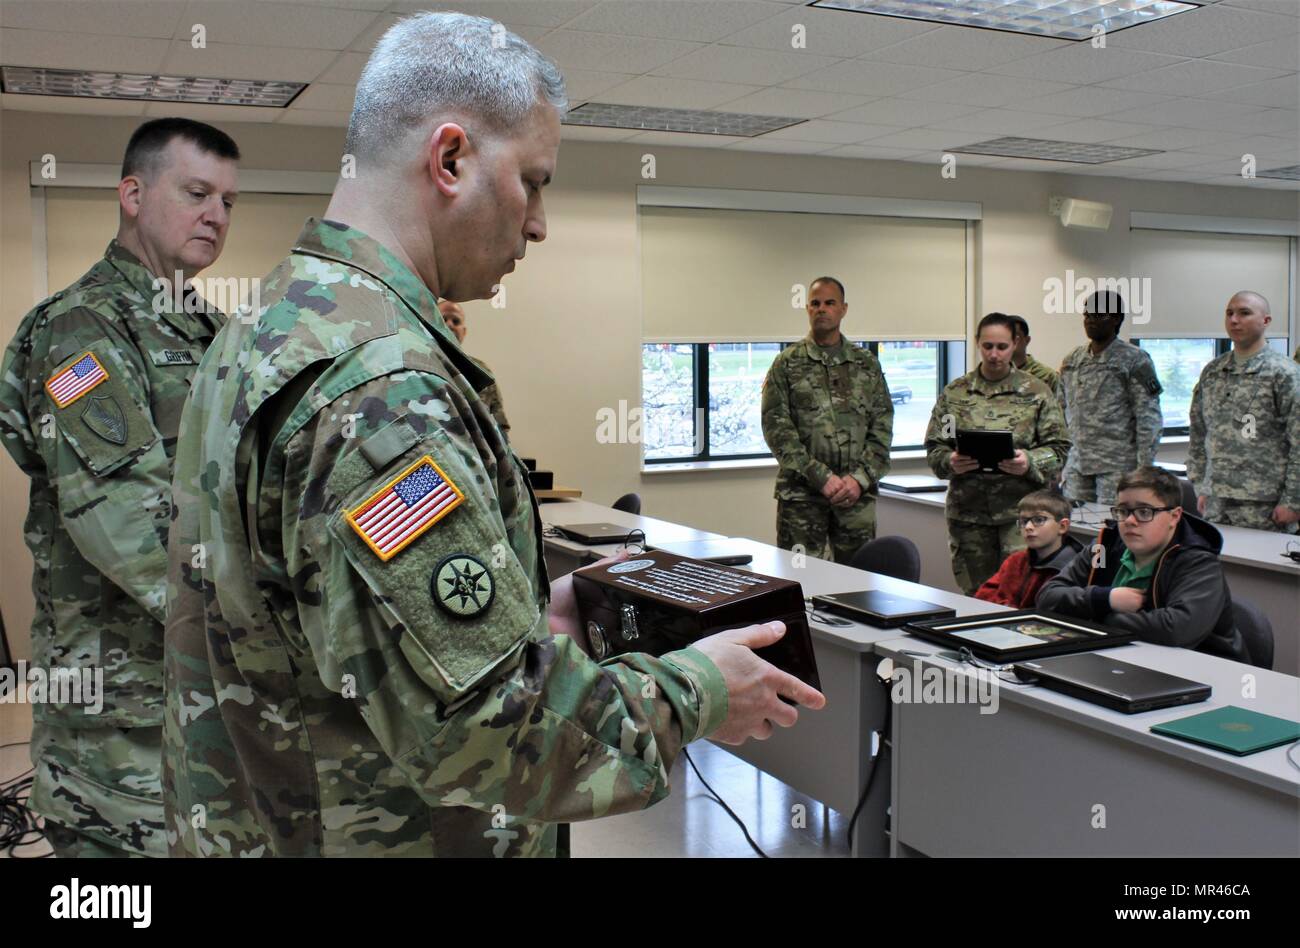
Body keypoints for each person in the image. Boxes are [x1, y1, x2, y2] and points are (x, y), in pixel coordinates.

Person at [161, 12, 824, 859]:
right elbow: (486, 732)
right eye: (535, 182)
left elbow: (310, 618)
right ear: (450, 159)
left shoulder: (267, 323)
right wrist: (697, 690)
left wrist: (528, 618)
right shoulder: (383, 392)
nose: (539, 223)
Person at [0, 118, 239, 857]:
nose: (216, 216)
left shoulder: (213, 330)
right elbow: (124, 520)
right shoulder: (80, 330)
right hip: (122, 728)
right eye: (197, 192)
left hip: (208, 702)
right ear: (133, 194)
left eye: (229, 201)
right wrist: (272, 625)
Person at [924, 312, 1070, 595]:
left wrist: (1030, 461)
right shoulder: (955, 393)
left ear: (1015, 344)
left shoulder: (1036, 392)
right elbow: (936, 447)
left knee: (1020, 593)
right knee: (977, 595)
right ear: (978, 344)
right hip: (968, 514)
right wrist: (950, 461)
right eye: (987, 346)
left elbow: (1059, 448)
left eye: (1001, 347)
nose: (994, 354)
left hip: (1022, 514)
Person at [1038, 467, 1246, 661]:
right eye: (1123, 511)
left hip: (1200, 670)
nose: (1129, 521)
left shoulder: (1197, 562)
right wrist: (1105, 598)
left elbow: (1179, 629)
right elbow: (1048, 596)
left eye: (1144, 512)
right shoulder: (1104, 548)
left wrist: (1104, 618)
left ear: (1174, 516)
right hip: (1122, 659)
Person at [761, 276, 893, 564]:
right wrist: (820, 477)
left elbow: (882, 427)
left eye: (829, 303)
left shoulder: (866, 364)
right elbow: (777, 429)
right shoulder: (787, 363)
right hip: (802, 497)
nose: (822, 309)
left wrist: (859, 479)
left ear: (843, 309)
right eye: (815, 303)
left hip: (856, 498)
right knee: (799, 582)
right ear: (807, 309)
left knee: (859, 586)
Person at [1188, 291, 1300, 534]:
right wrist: (1200, 484)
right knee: (1216, 568)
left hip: (1264, 503)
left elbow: (1298, 442)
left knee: (1261, 571)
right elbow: (1198, 432)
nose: (1234, 320)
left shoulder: (1284, 373)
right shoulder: (1214, 371)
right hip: (1216, 500)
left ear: (1266, 321)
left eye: (1244, 313)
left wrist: (1293, 501)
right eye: (1229, 313)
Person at [1057, 290, 1163, 507]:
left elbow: (1148, 418)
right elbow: (1059, 411)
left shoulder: (1135, 359)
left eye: (1098, 316)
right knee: (1075, 525)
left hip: (1117, 465)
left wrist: (1144, 469)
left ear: (1116, 319)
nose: (1090, 321)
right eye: (1087, 315)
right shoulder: (1072, 359)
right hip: (1077, 464)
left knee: (1112, 527)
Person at [975, 490, 1082, 609]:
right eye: (1023, 521)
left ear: (1062, 526)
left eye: (1039, 520)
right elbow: (983, 596)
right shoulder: (1016, 560)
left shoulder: (1075, 568)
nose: (1028, 527)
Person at [437, 298, 510, 435]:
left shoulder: (481, 371)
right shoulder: (423, 364)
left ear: (464, 332)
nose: (450, 324)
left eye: (456, 321)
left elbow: (500, 425)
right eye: (443, 319)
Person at [1008, 314, 1060, 395]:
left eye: (1015, 336)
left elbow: (1061, 406)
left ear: (1027, 340)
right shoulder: (993, 375)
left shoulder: (1047, 376)